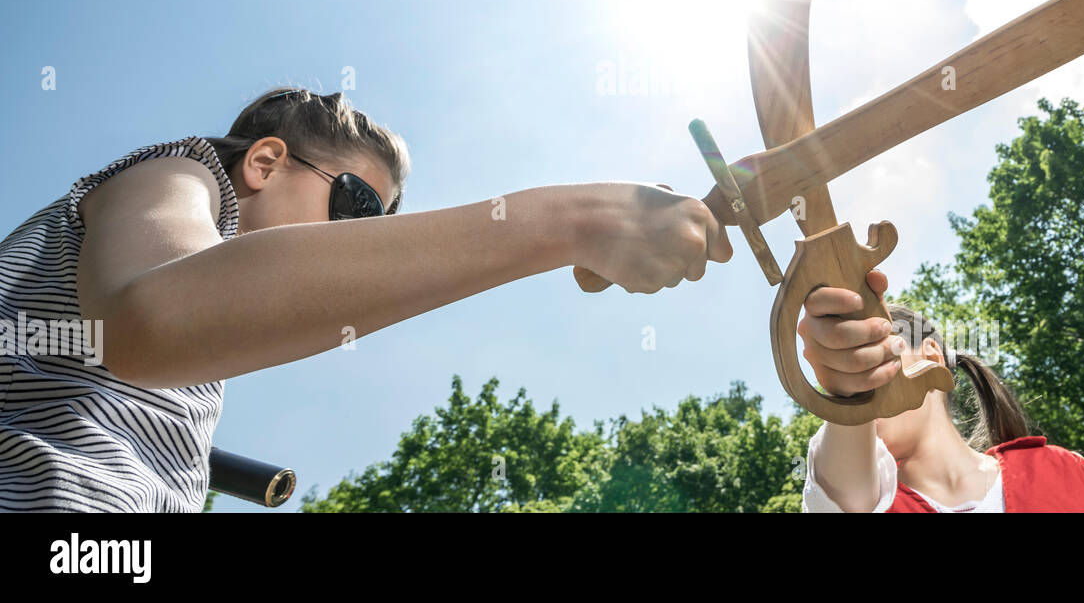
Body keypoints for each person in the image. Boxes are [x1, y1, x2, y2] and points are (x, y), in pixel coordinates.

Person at [0, 87, 731, 512]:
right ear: (263, 161)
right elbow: (145, 317)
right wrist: (575, 222)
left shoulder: (213, 330)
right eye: (352, 208)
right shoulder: (180, 174)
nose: (357, 243)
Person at [798, 269, 1084, 512]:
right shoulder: (861, 502)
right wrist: (848, 397)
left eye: (882, 352)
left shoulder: (1069, 471)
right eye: (851, 362)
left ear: (931, 355)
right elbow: (841, 492)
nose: (864, 372)